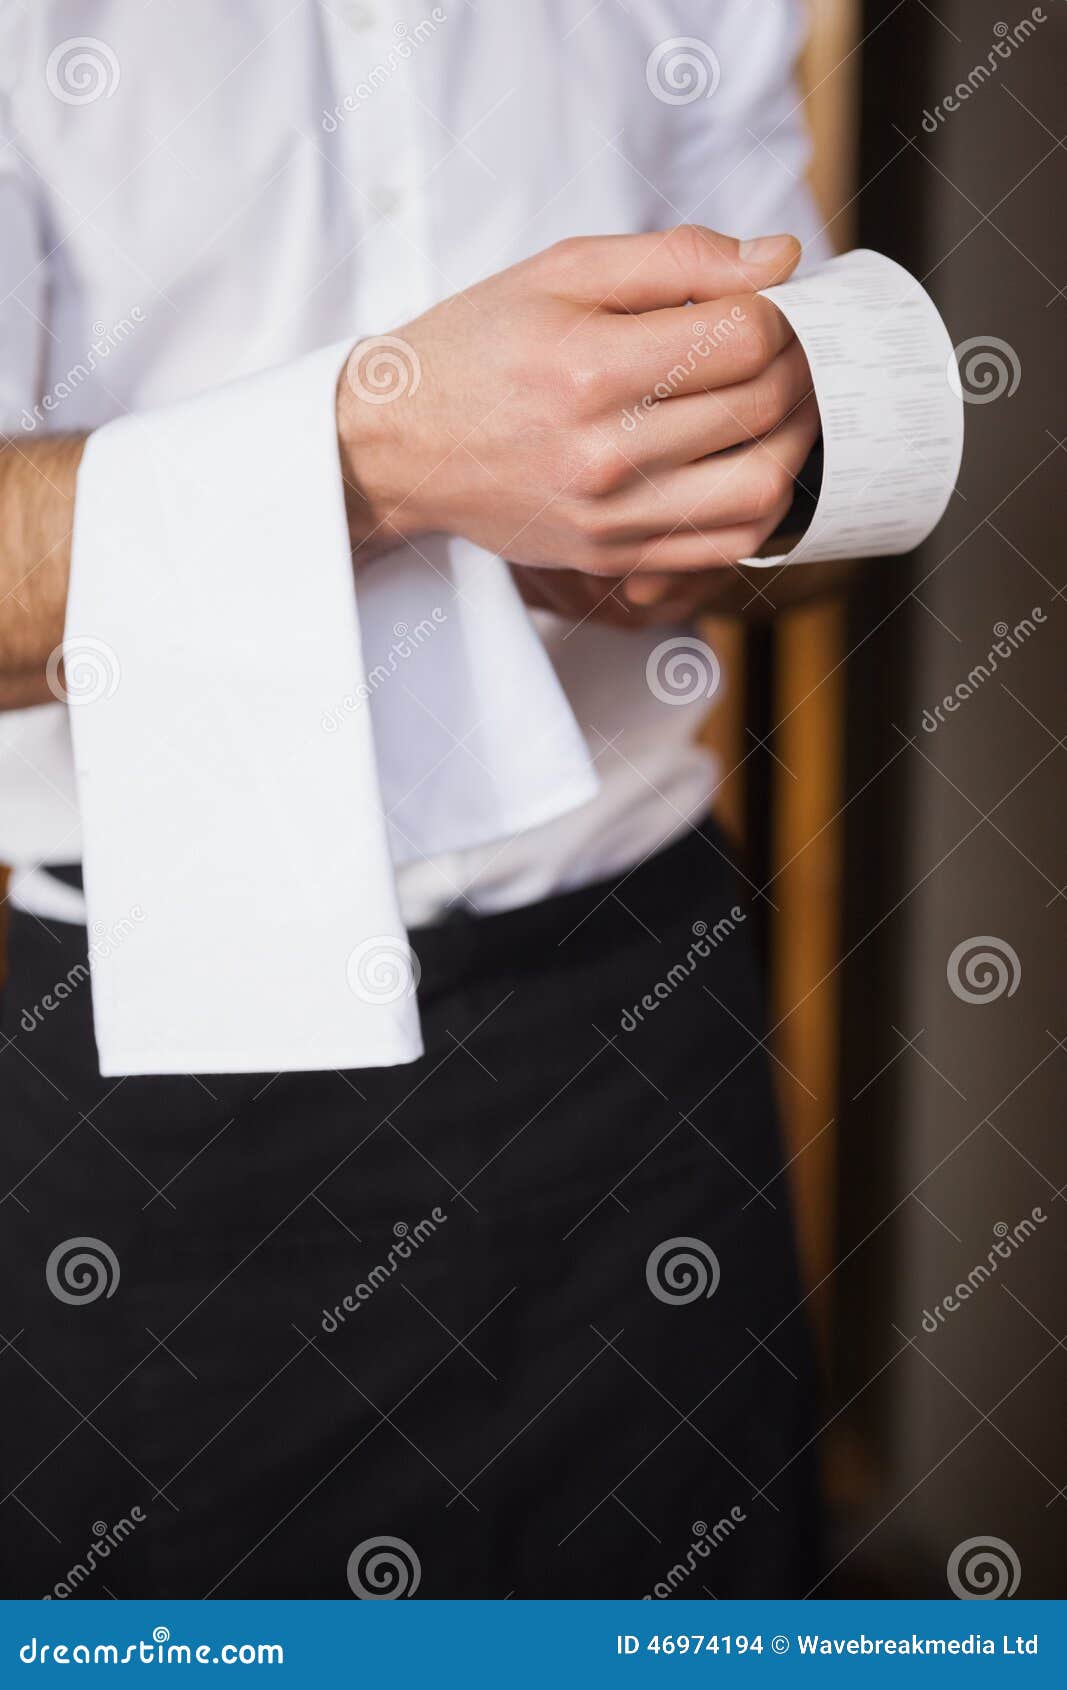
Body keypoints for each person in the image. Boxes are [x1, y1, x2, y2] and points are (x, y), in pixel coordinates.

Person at [1, 3, 829, 1597]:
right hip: (157, 1069)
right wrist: (377, 456)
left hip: (636, 1028)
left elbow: (818, 515)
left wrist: (770, 489)